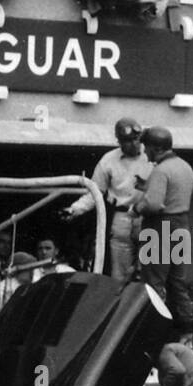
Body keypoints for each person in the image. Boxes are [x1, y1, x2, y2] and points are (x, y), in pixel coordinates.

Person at [61, 118, 152, 281]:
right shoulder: (108, 160)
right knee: (120, 271)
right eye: (127, 141)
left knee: (148, 267)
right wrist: (74, 210)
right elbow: (95, 192)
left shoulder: (150, 155)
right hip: (122, 216)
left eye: (136, 139)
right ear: (119, 141)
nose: (133, 144)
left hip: (146, 215)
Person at [133, 126, 193, 336]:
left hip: (160, 228)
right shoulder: (185, 167)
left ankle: (154, 332)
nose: (145, 152)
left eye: (147, 147)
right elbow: (173, 194)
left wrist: (136, 207)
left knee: (154, 283)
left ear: (156, 148)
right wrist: (148, 186)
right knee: (178, 282)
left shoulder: (161, 170)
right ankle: (186, 331)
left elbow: (153, 204)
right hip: (182, 226)